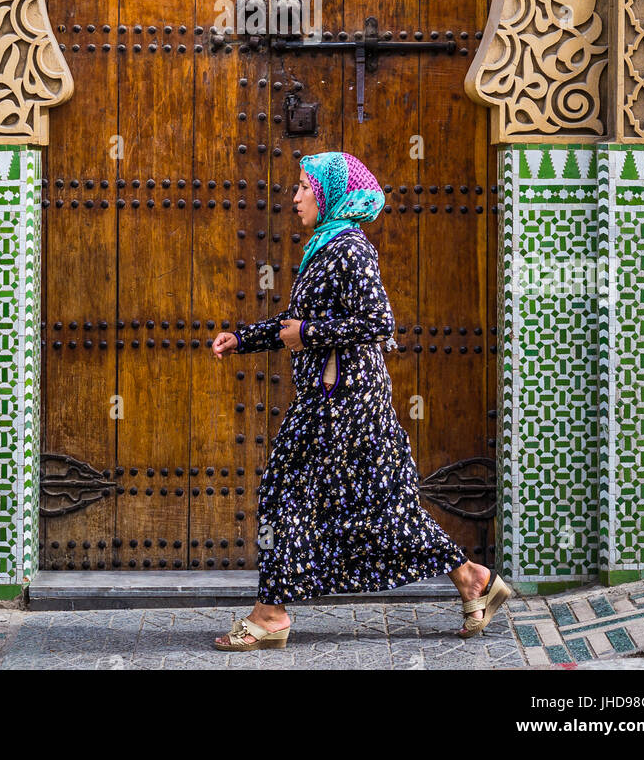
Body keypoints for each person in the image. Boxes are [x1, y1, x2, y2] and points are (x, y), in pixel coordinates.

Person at [210, 149, 511, 650]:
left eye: (305, 186)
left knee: (286, 492)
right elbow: (295, 324)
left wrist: (308, 332)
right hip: (342, 397)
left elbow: (377, 323)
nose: (296, 195)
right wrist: (243, 339)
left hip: (344, 400)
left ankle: (270, 615)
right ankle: (472, 578)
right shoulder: (326, 247)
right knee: (381, 505)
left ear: (328, 194)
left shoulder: (349, 248)